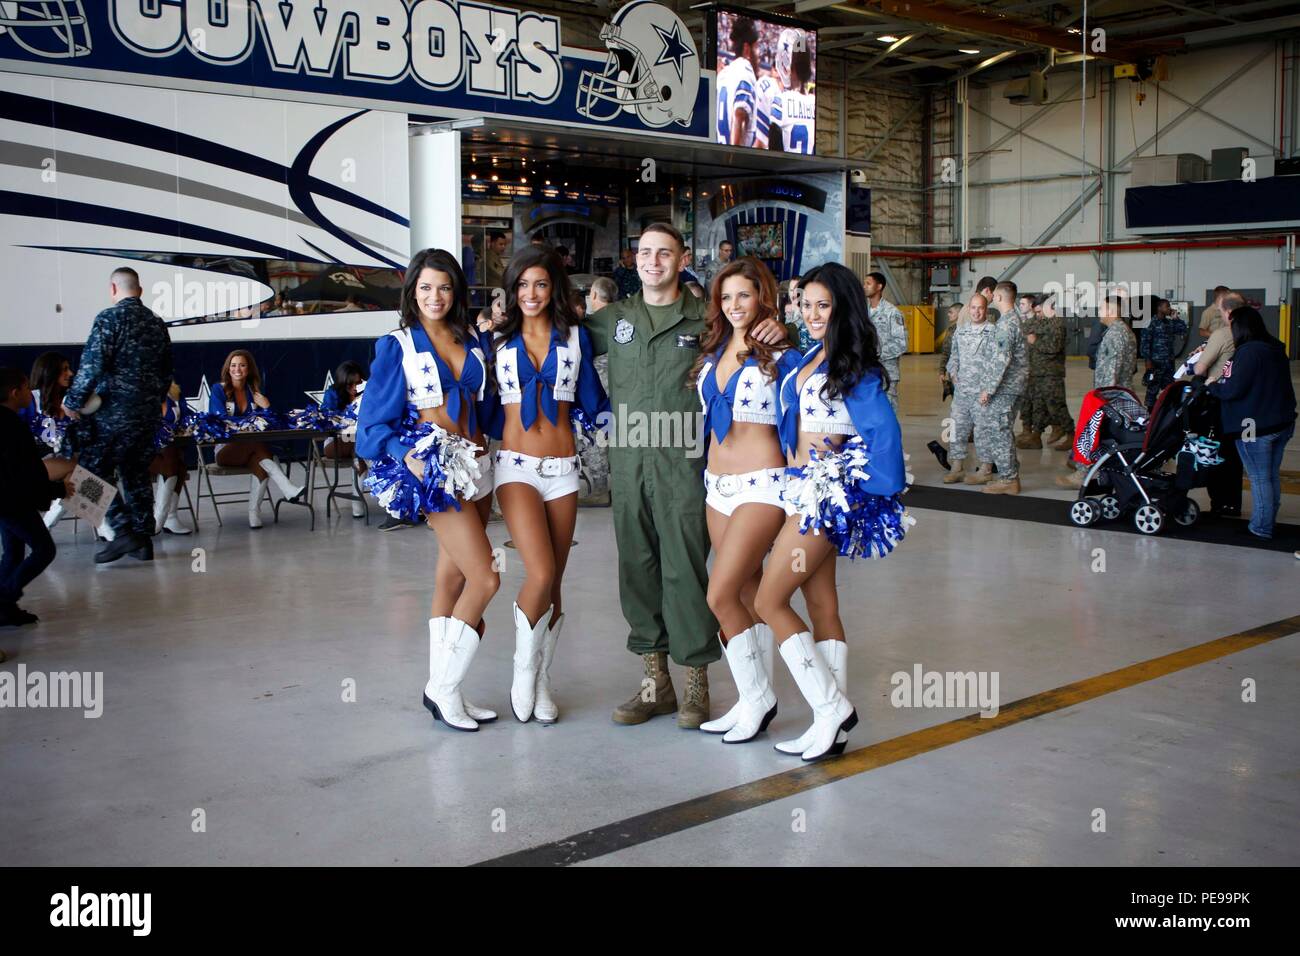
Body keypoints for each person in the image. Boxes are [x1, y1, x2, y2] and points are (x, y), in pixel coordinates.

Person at [585, 222, 788, 729]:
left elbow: (760, 332)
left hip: (685, 464)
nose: (653, 261)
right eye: (645, 252)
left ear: (682, 259)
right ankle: (655, 683)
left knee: (686, 569)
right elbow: (551, 338)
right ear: (635, 260)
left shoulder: (707, 318)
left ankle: (696, 679)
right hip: (629, 463)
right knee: (637, 567)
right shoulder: (615, 318)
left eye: (665, 253)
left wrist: (785, 330)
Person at [755, 262, 909, 761]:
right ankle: (833, 725)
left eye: (825, 305)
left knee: (768, 601)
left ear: (844, 309)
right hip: (795, 490)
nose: (814, 313)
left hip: (823, 498)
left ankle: (831, 708)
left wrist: (858, 487)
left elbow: (884, 436)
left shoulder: (853, 367)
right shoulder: (808, 358)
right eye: (807, 303)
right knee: (822, 605)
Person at [357, 248, 500, 732]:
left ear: (455, 292)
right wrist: (408, 456)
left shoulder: (473, 339)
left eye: (444, 287)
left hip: (480, 468)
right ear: (411, 292)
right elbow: (369, 427)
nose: (435, 297)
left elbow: (489, 411)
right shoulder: (396, 346)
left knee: (452, 580)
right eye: (425, 288)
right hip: (437, 472)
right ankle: (441, 688)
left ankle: (447, 689)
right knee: (486, 579)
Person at [489, 247, 609, 723]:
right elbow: (479, 405)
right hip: (515, 467)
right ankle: (522, 672)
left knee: (555, 579)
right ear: (512, 290)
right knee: (538, 573)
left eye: (540, 284)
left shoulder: (577, 339)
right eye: (522, 285)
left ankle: (542, 679)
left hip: (562, 470)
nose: (531, 294)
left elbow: (593, 400)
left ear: (553, 288)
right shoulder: (494, 343)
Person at [691, 258, 801, 743]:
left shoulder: (777, 345)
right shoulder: (715, 346)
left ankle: (760, 699)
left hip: (763, 483)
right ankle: (750, 698)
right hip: (717, 485)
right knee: (744, 595)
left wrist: (791, 333)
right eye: (727, 297)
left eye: (745, 295)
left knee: (718, 594)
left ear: (763, 298)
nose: (735, 305)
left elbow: (812, 384)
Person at [61, 267, 174, 563]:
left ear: (113, 288)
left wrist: (73, 401)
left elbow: (92, 365)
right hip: (147, 415)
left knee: (85, 472)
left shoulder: (109, 318)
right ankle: (143, 541)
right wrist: (150, 403)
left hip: (113, 414)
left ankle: (123, 532)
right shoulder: (156, 323)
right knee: (136, 474)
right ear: (140, 289)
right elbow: (166, 374)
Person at [1207, 307, 1296, 539]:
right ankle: (1267, 520)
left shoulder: (1248, 352)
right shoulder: (1275, 348)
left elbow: (1233, 390)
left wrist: (1211, 385)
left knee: (1258, 477)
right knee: (1270, 475)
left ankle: (1261, 527)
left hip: (1253, 426)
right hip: (1281, 421)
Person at [1, 368, 76, 634]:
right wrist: (56, 490)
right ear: (14, 393)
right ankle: (4, 598)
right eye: (24, 389)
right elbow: (27, 472)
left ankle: (6, 608)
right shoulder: (12, 427)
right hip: (13, 501)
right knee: (44, 550)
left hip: (7, 500)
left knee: (13, 552)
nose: (28, 394)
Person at [209, 350, 305, 529]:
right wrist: (251, 421)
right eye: (234, 365)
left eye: (242, 365)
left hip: (251, 451)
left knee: (260, 460)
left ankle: (254, 513)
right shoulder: (218, 389)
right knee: (255, 443)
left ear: (249, 369)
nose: (238, 369)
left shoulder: (254, 392)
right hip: (225, 451)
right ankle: (286, 487)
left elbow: (270, 422)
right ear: (228, 369)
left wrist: (268, 407)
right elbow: (220, 419)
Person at [1056, 296, 1137, 489]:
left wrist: (1101, 402)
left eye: (1101, 308)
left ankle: (1082, 474)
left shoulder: (1115, 335)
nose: (1099, 312)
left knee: (1094, 433)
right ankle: (1084, 466)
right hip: (1120, 396)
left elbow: (1111, 372)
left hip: (1110, 398)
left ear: (1110, 311)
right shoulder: (1123, 331)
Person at [1189, 291, 1246, 514]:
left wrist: (1196, 363)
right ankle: (1233, 502)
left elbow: (1200, 368)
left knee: (1217, 450)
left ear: (1229, 312)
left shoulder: (1223, 334)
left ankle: (1219, 502)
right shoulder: (1251, 334)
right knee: (1235, 454)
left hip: (1219, 399)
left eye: (1220, 310)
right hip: (1241, 403)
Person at [27, 352, 79, 528]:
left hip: (63, 463)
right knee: (86, 469)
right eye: (64, 369)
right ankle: (111, 527)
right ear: (49, 372)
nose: (70, 373)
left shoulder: (70, 403)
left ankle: (45, 524)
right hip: (29, 466)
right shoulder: (31, 400)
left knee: (78, 477)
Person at [1019, 293, 1074, 450]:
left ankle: (1071, 434)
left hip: (1051, 373)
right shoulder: (1042, 322)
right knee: (1038, 406)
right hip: (1036, 372)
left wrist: (1036, 341)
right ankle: (1036, 436)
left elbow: (1053, 348)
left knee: (1056, 405)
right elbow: (1025, 327)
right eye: (1036, 312)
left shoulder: (1057, 324)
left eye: (1040, 311)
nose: (1038, 315)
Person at [320, 360, 368, 520]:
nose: (354, 388)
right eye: (350, 384)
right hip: (335, 443)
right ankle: (357, 501)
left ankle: (358, 498)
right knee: (360, 446)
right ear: (342, 383)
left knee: (361, 446)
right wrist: (350, 411)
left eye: (358, 383)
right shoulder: (332, 394)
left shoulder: (367, 394)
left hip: (359, 443)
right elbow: (325, 422)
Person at [148, 383, 192, 535]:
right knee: (177, 464)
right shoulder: (133, 393)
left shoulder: (174, 392)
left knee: (175, 460)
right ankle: (104, 522)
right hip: (138, 454)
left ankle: (164, 518)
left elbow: (187, 419)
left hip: (167, 453)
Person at [862, 271, 908, 410]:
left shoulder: (892, 312)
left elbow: (901, 344)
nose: (864, 286)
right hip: (866, 371)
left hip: (886, 373)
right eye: (864, 283)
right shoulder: (863, 312)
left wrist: (875, 353)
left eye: (868, 283)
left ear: (879, 286)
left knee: (887, 411)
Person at [1138, 297, 1188, 409]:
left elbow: (1183, 330)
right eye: (1167, 306)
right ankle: (1150, 413)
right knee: (1152, 389)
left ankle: (1166, 412)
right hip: (1155, 363)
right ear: (1159, 308)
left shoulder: (1169, 323)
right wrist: (1148, 362)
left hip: (1168, 363)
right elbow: (1145, 343)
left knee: (1169, 388)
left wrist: (1176, 318)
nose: (1169, 308)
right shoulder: (1150, 323)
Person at [717, 16, 759, 146]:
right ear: (747, 49)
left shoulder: (723, 74)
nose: (758, 54)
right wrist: (733, 158)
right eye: (756, 48)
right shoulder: (745, 71)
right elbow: (739, 114)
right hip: (733, 161)